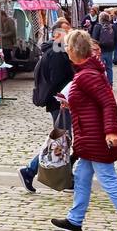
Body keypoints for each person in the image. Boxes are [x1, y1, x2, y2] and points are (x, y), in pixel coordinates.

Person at [50, 29, 117, 231]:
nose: (66, 51)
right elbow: (91, 103)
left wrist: (110, 132)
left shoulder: (87, 75)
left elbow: (108, 103)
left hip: (97, 138)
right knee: (81, 177)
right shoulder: (86, 72)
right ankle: (74, 220)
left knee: (109, 181)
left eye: (67, 47)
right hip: (89, 138)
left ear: (74, 50)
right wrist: (71, 103)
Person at [18, 19, 74, 193]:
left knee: (64, 139)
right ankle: (30, 170)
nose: (69, 34)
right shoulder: (57, 53)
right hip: (60, 102)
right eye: (66, 31)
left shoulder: (58, 50)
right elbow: (57, 80)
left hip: (60, 101)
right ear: (57, 34)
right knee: (61, 140)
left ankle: (64, 176)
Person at [89, 11, 116, 85]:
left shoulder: (98, 26)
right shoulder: (112, 26)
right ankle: (110, 82)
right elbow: (116, 38)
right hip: (110, 49)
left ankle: (102, 83)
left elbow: (94, 38)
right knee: (109, 67)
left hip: (100, 49)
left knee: (100, 67)